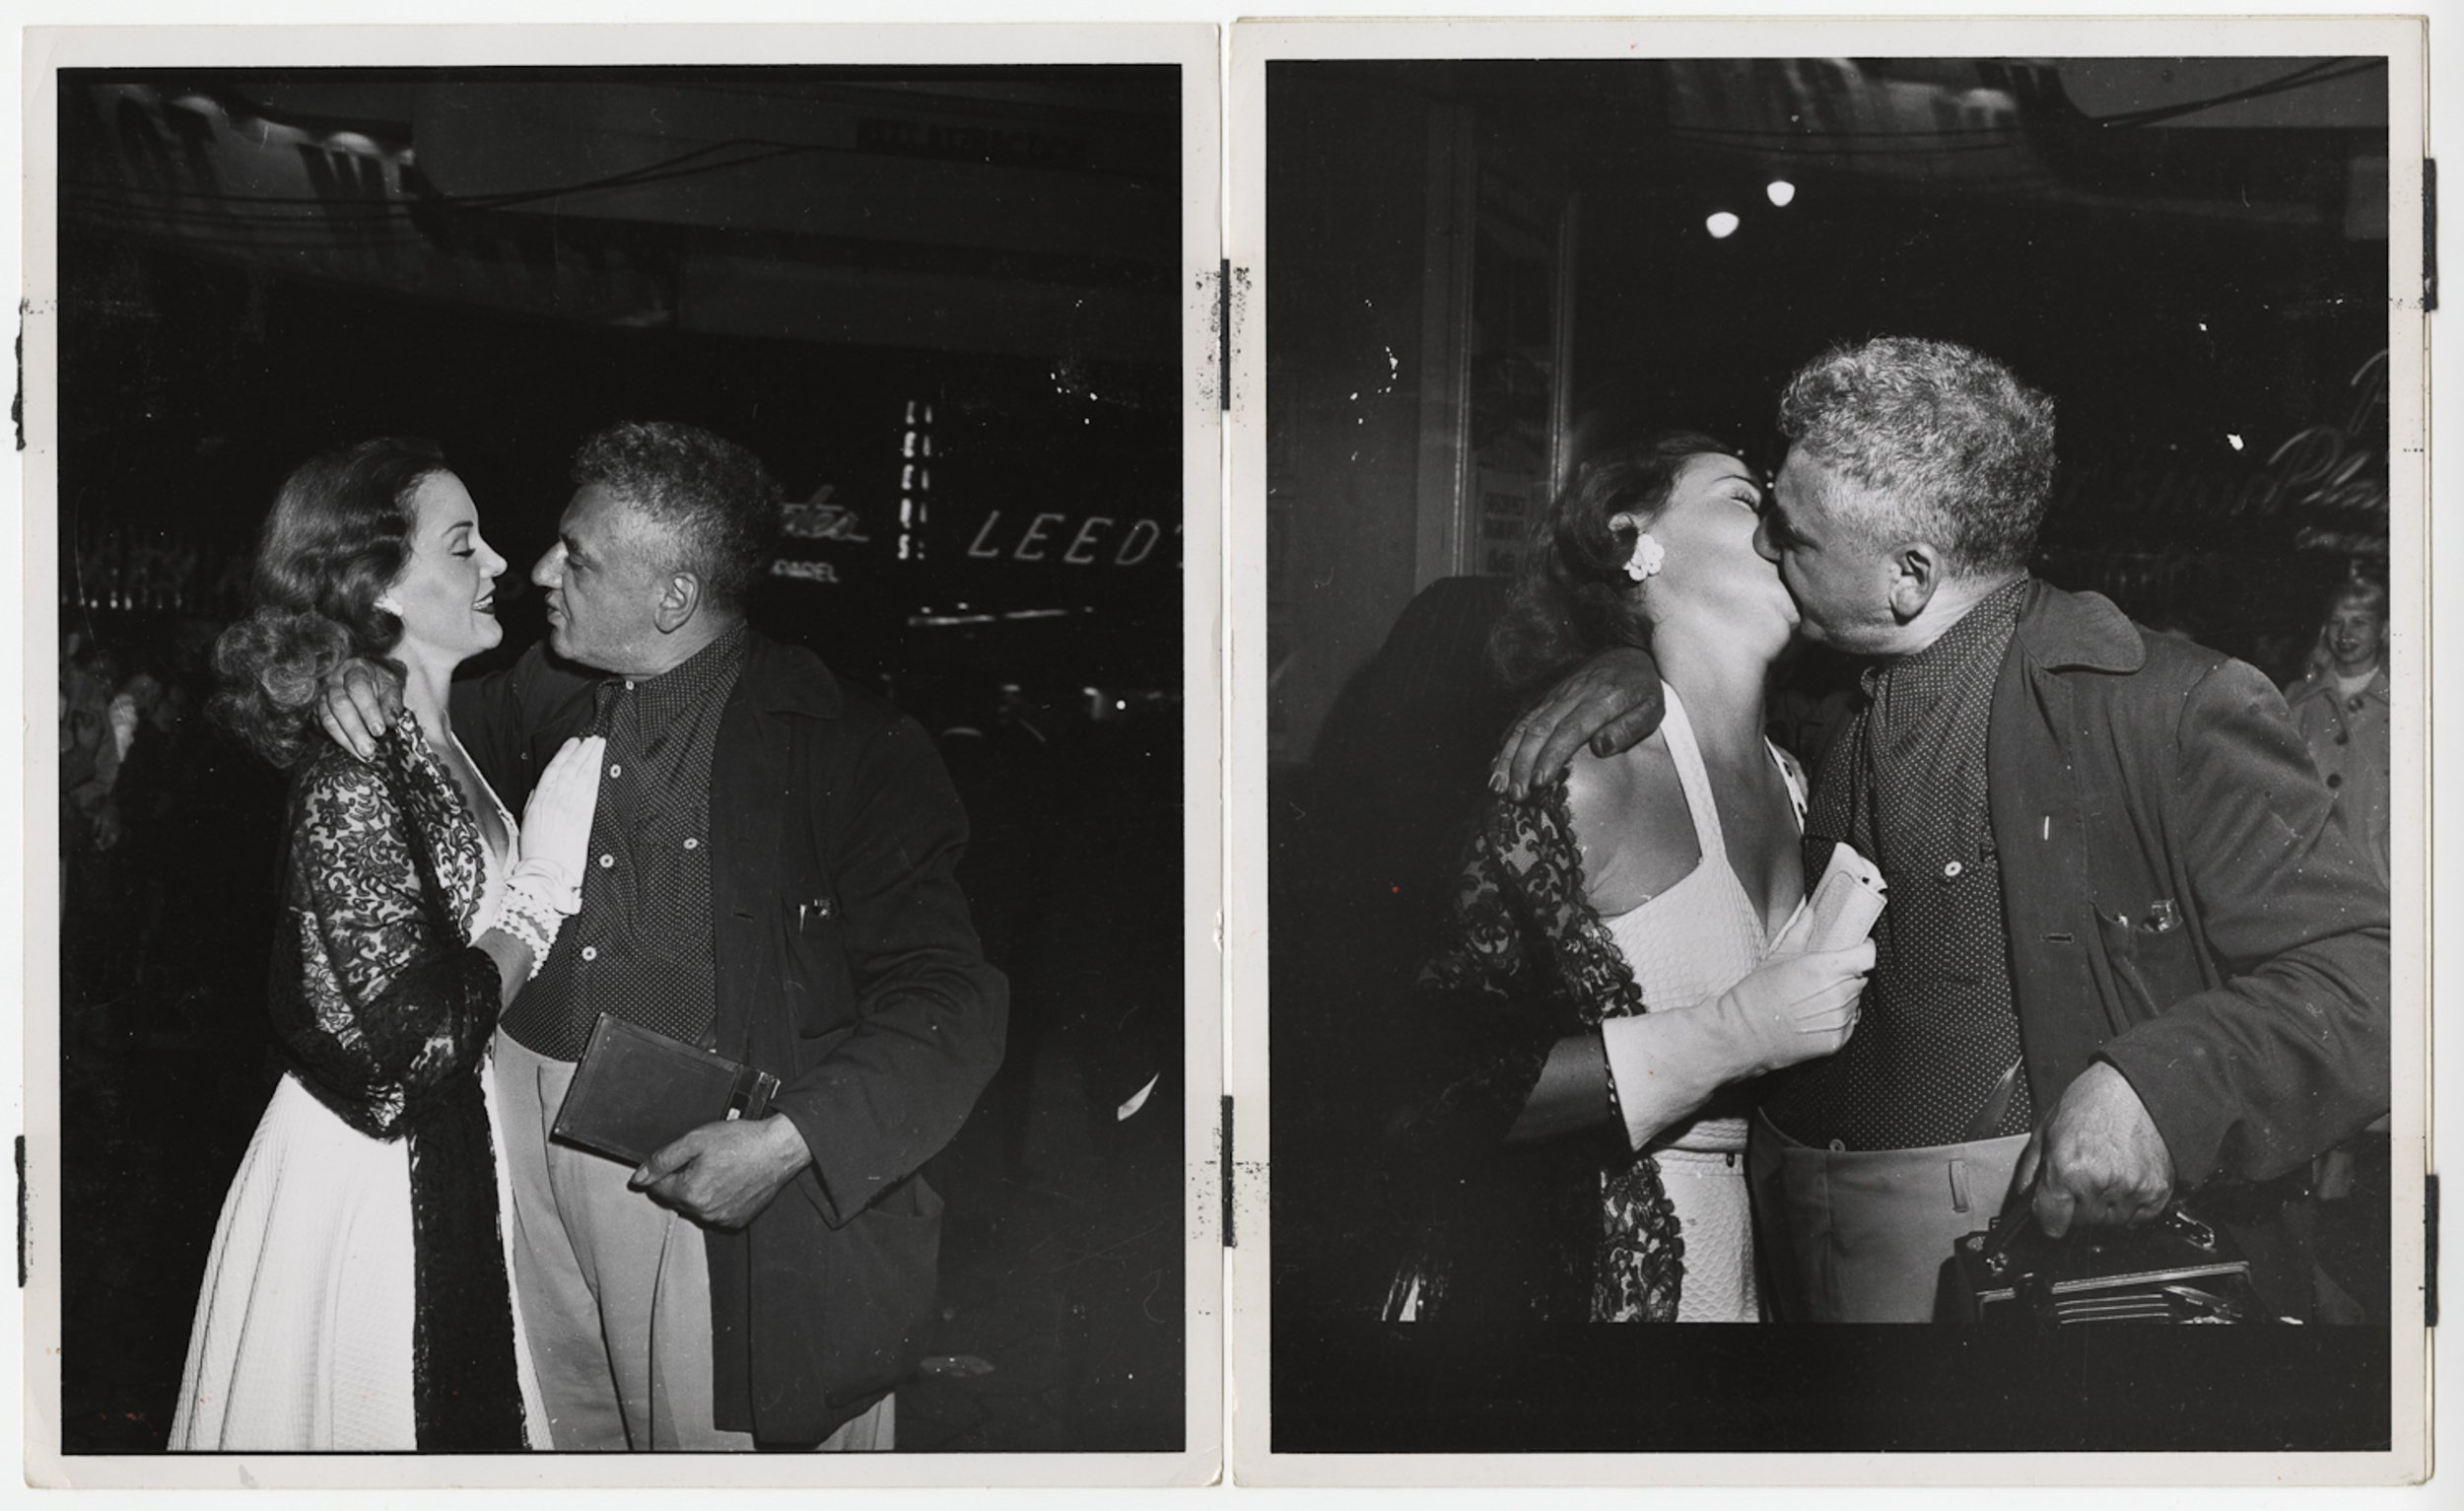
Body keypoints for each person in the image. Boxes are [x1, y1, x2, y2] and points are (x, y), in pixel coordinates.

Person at [1490, 338, 2391, 1322]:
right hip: (1776, 1259)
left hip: (1997, 1259)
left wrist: (2158, 1090)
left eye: (1790, 537)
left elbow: (2366, 975)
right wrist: (1622, 662)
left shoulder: (2165, 707)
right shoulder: (1816, 692)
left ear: (1908, 575)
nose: (1765, 552)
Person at [323, 421, 1005, 1449]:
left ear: (672, 597)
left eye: (579, 557)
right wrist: (359, 675)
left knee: (702, 1453)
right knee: (552, 1442)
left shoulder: (849, 748)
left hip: (698, 1171)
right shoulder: (536, 693)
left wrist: (792, 1141)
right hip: (516, 1152)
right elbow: (410, 727)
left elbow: (948, 1000)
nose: (542, 571)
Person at [1382, 434, 1876, 1324]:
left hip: (1747, 1271)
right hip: (1567, 1282)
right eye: (1745, 499)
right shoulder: (1583, 768)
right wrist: (1728, 1037)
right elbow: (1429, 1084)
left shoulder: (1801, 784)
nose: (1786, 526)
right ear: (1632, 541)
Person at [171, 439, 605, 1450]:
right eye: (464, 547)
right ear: (381, 586)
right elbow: (410, 1048)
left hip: (456, 1152)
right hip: (370, 1179)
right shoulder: (357, 766)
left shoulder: (439, 732)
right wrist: (533, 903)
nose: (499, 563)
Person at [2282, 575, 2391, 885]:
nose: (2345, 634)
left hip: (2382, 879)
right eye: (2336, 622)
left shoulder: (2409, 704)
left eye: (2360, 622)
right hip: (2312, 878)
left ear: (2383, 629)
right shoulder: (2296, 700)